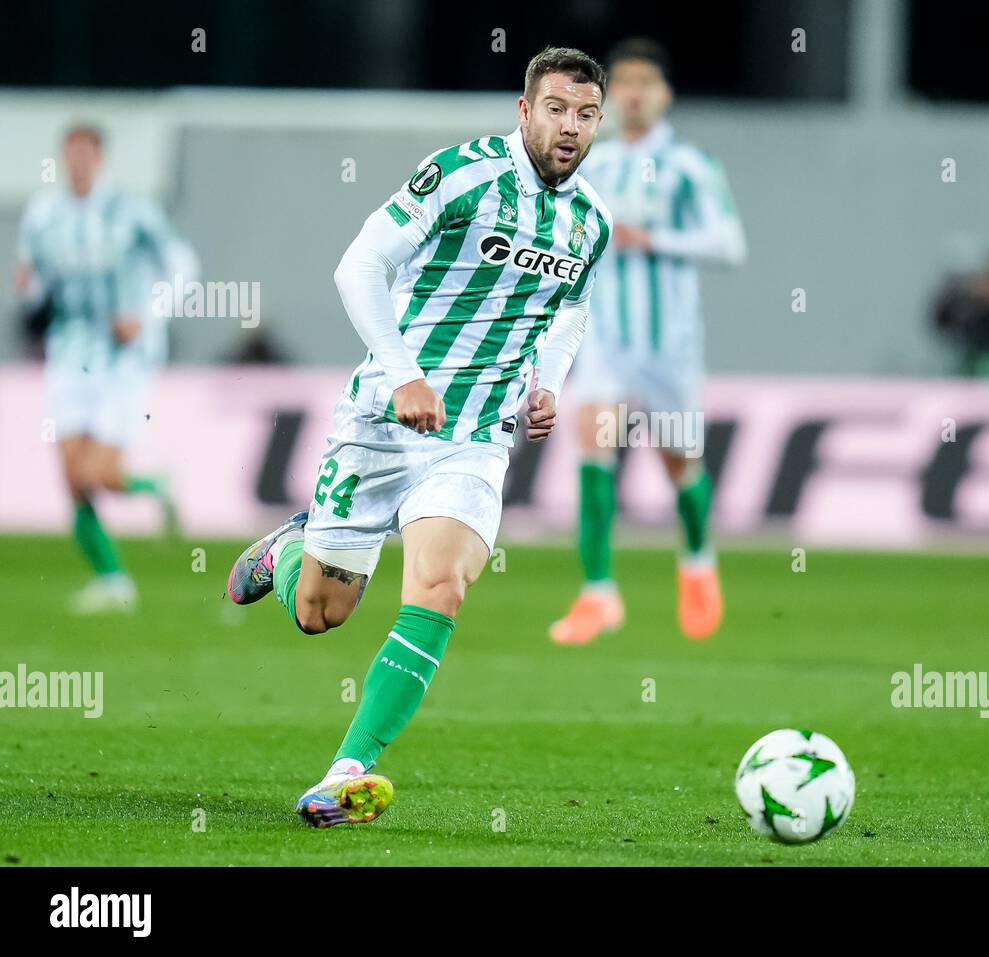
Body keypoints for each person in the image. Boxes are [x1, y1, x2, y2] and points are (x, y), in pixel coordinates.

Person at [226, 47, 612, 828]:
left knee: (441, 584)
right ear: (524, 110)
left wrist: (549, 383)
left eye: (586, 114)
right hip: (382, 418)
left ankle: (344, 771)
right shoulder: (466, 175)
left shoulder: (592, 223)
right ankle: (288, 550)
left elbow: (570, 308)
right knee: (317, 612)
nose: (570, 128)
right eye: (557, 110)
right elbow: (359, 265)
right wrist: (404, 373)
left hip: (476, 435)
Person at [549, 38, 746, 646]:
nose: (634, 92)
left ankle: (697, 563)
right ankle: (598, 593)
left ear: (664, 96)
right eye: (624, 83)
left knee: (679, 463)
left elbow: (729, 245)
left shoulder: (691, 166)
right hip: (606, 334)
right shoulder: (591, 165)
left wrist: (653, 239)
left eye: (645, 82)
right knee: (593, 447)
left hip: (672, 342)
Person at [15, 124, 192, 613]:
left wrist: (149, 315)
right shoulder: (42, 216)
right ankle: (114, 580)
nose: (78, 162)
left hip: (123, 363)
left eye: (86, 153)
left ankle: (155, 485)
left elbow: (181, 263)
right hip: (69, 356)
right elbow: (33, 288)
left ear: (100, 157)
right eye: (70, 153)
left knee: (101, 473)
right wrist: (28, 287)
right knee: (72, 478)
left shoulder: (132, 212)